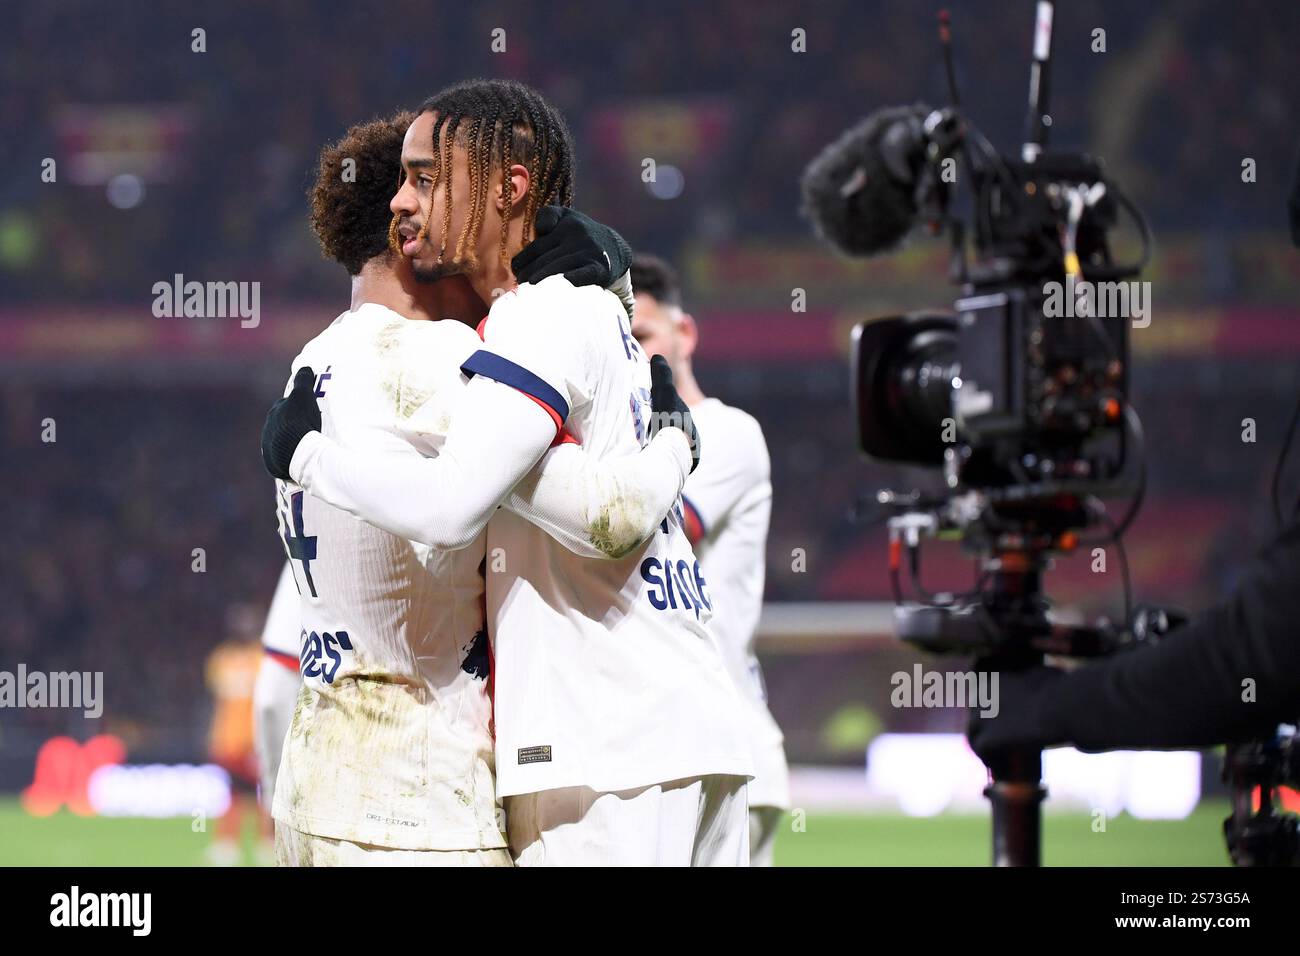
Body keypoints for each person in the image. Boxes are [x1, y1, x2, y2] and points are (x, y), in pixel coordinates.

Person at [263, 80, 754, 866]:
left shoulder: (315, 363)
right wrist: (675, 442)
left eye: (425, 180)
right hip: (434, 797)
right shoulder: (466, 356)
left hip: (338, 779)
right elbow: (608, 511)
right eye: (405, 183)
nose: (406, 202)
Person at [629, 254, 790, 866]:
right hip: (659, 746)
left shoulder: (727, 432)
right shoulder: (627, 448)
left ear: (684, 333)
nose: (636, 355)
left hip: (726, 743)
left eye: (644, 335)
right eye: (624, 342)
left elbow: (649, 524)